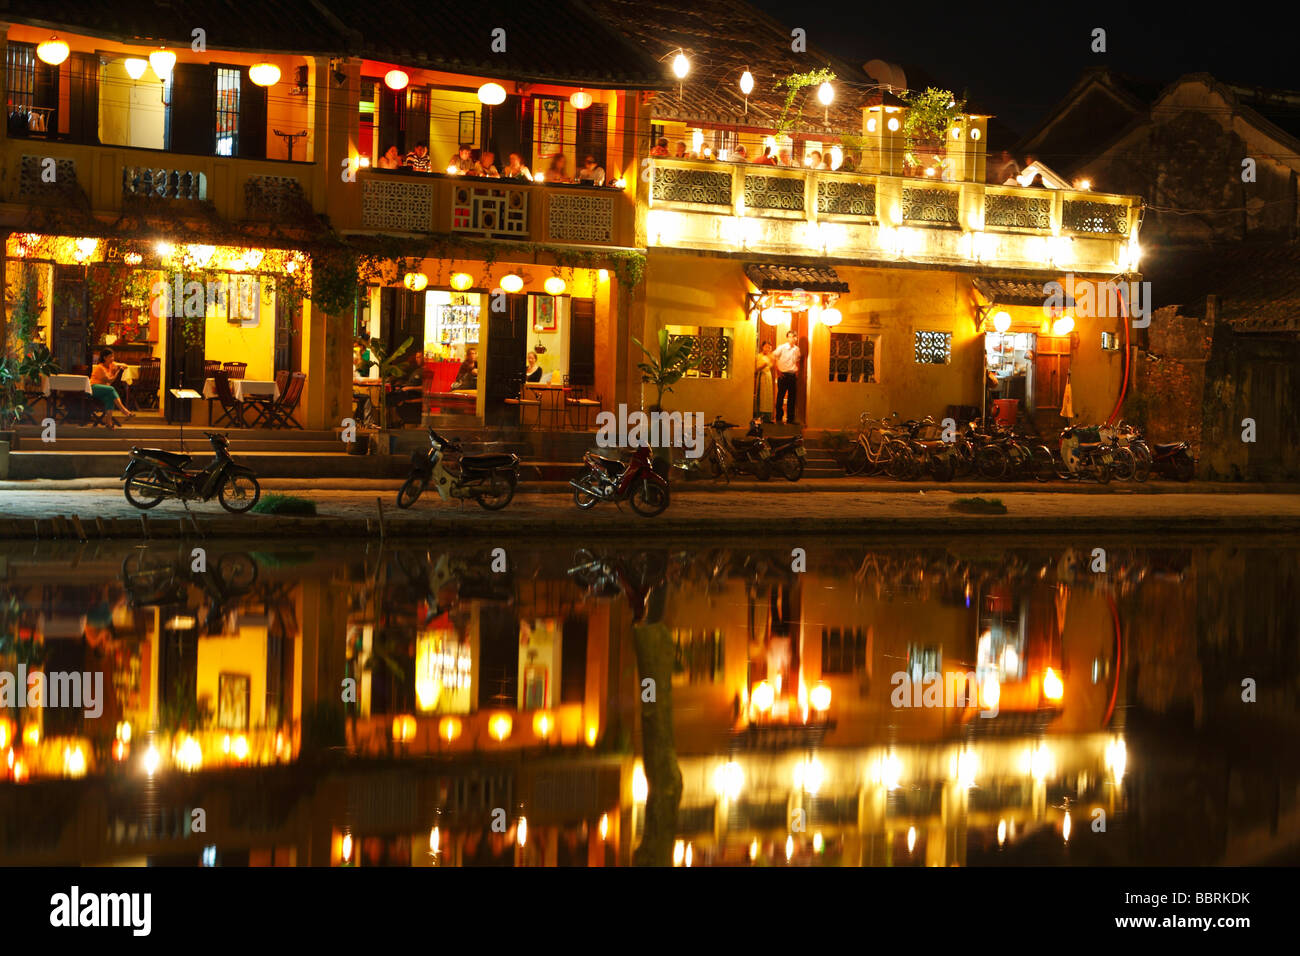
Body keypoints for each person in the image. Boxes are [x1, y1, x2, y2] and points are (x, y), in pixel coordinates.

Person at [89, 348, 133, 428]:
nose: (112, 359)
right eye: (110, 357)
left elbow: (125, 365)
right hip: (94, 388)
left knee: (110, 398)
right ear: (105, 358)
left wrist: (120, 366)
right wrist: (117, 371)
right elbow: (110, 380)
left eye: (113, 356)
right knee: (111, 389)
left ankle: (108, 423)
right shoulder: (100, 368)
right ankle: (124, 410)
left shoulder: (111, 365)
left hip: (104, 390)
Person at [770, 330, 801, 425]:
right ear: (787, 337)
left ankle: (790, 418)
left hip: (792, 375)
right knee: (780, 396)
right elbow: (773, 356)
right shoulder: (782, 348)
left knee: (792, 398)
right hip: (783, 375)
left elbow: (798, 360)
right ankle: (779, 417)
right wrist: (777, 371)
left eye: (794, 337)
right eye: (790, 337)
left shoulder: (797, 349)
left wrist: (797, 372)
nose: (792, 339)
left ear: (796, 338)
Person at [754, 341, 775, 422]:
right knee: (761, 396)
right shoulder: (758, 356)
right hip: (761, 376)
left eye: (769, 347)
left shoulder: (770, 356)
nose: (768, 349)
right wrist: (766, 363)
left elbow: (772, 366)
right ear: (762, 347)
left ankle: (768, 416)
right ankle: (760, 415)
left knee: (768, 396)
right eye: (766, 347)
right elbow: (757, 368)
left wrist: (771, 360)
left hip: (768, 376)